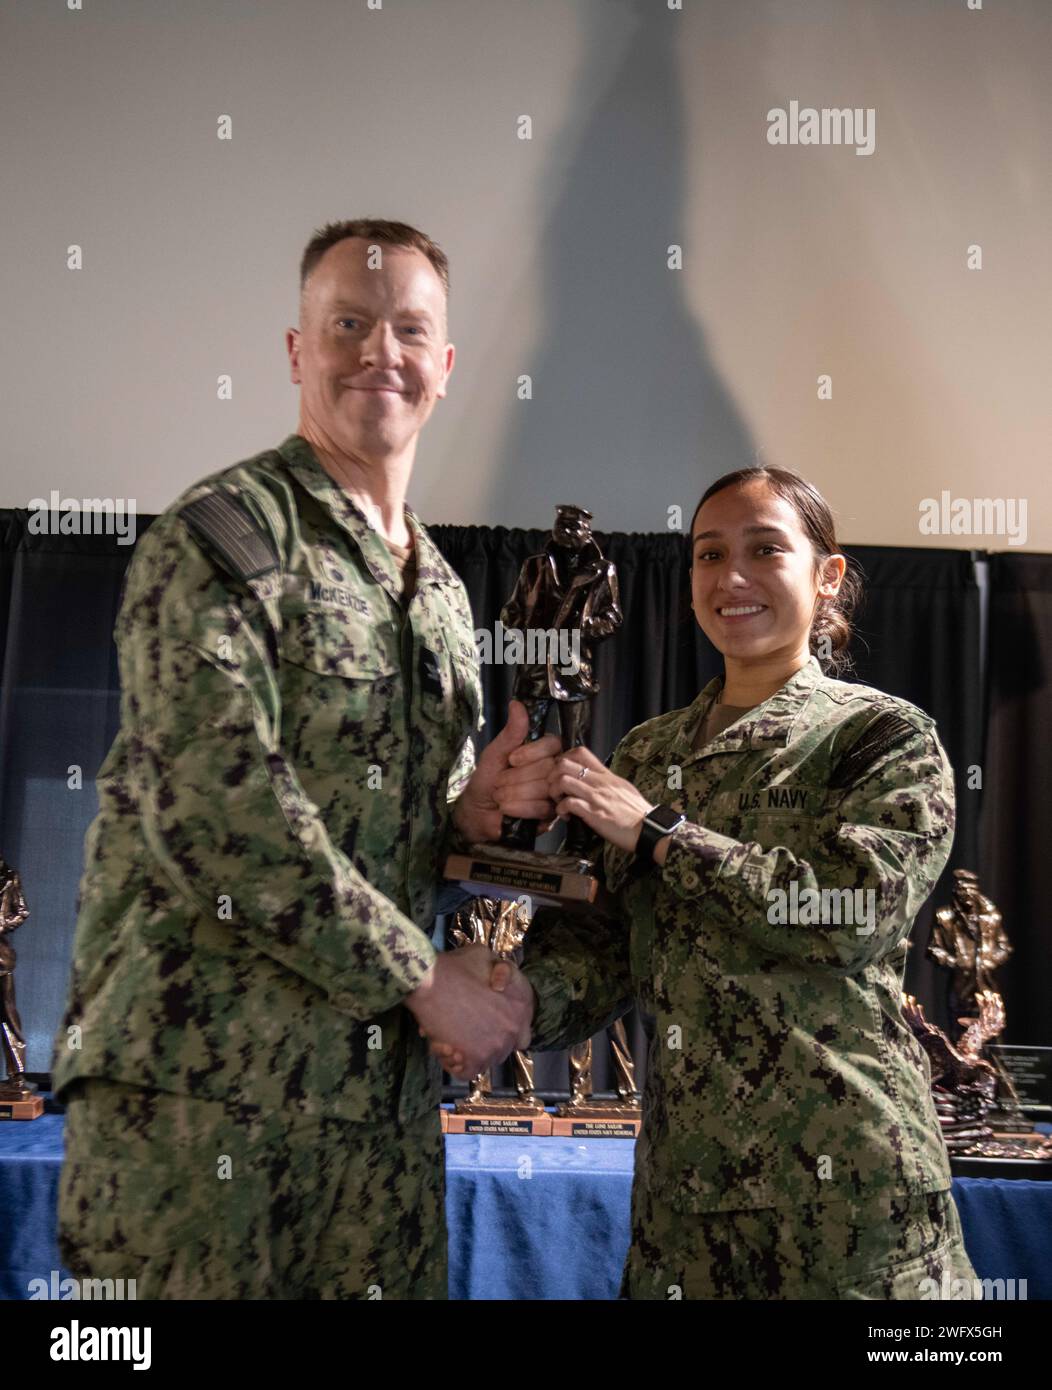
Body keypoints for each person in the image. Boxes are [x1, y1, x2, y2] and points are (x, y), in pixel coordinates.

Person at [52, 219, 551, 1299]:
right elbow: (219, 813)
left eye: (409, 329)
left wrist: (469, 812)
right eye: (349, 324)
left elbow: (400, 820)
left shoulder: (446, 595)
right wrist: (427, 980)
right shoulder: (225, 536)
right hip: (200, 1103)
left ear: (446, 366)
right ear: (296, 350)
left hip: (372, 1111)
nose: (381, 351)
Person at [435, 467, 979, 1300]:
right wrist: (512, 1002)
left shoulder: (882, 737)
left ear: (827, 573)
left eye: (765, 550)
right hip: (684, 1213)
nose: (731, 578)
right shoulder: (649, 753)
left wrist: (658, 832)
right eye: (709, 554)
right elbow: (603, 949)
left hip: (851, 1209)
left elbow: (848, 914)